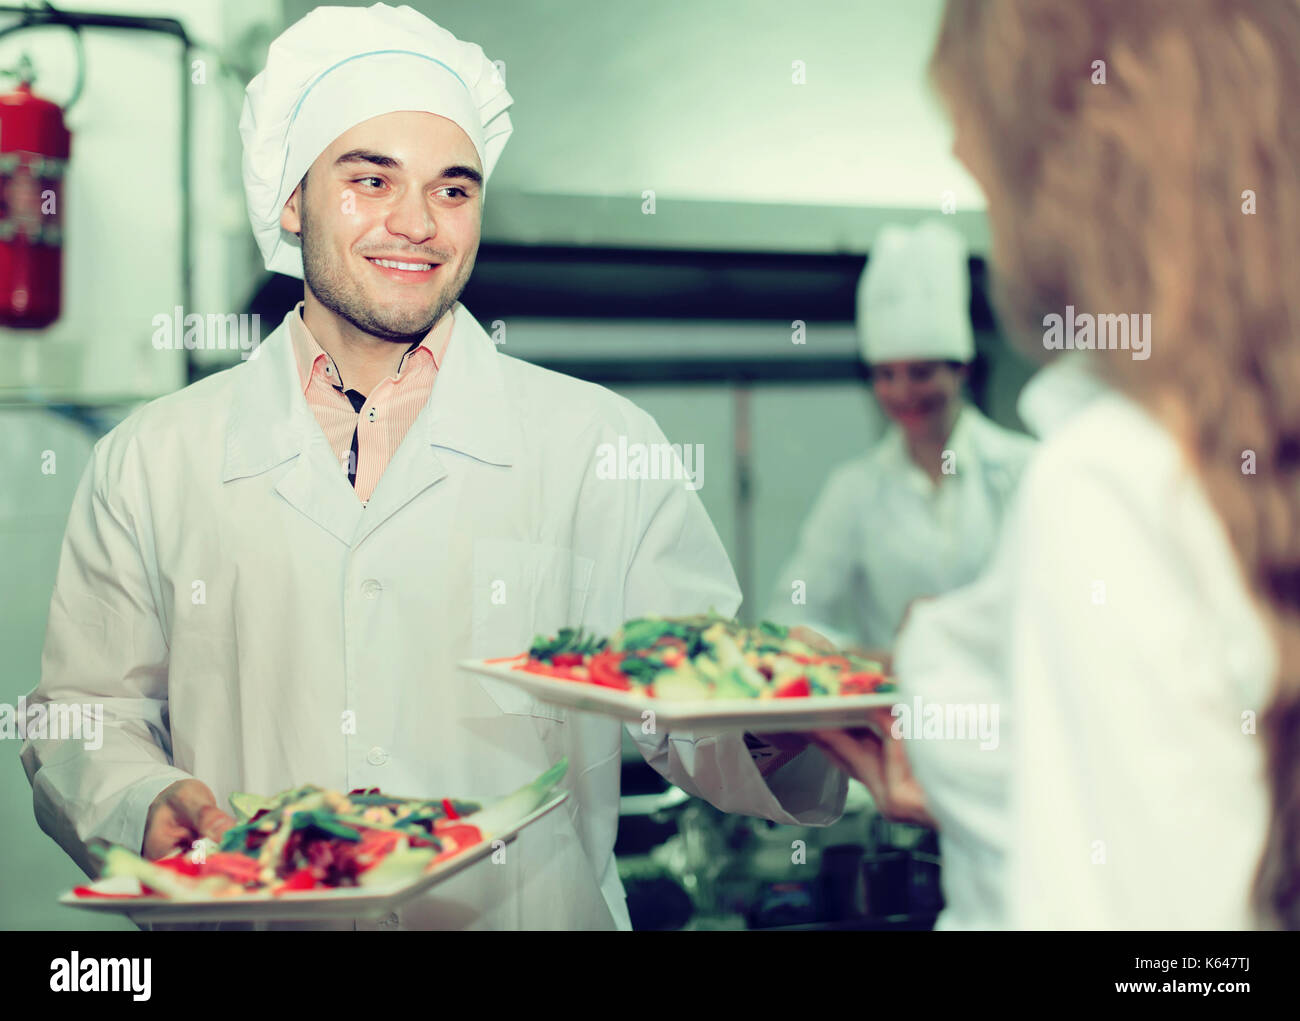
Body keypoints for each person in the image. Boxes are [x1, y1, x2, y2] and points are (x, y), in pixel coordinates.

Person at [19, 3, 846, 931]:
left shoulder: (598, 443)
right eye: (370, 179)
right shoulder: (153, 459)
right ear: (291, 200)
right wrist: (143, 802)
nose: (416, 223)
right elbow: (83, 716)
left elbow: (693, 707)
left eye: (453, 191)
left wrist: (777, 719)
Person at [813, 0, 1300, 930]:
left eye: (990, 134)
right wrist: (972, 791)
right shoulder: (1201, 441)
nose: (960, 150)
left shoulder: (1101, 481)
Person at [767, 220, 1034, 652]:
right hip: (896, 711)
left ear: (961, 369)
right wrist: (871, 657)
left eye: (921, 373)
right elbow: (789, 615)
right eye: (885, 375)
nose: (902, 392)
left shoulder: (1024, 469)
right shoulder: (854, 489)